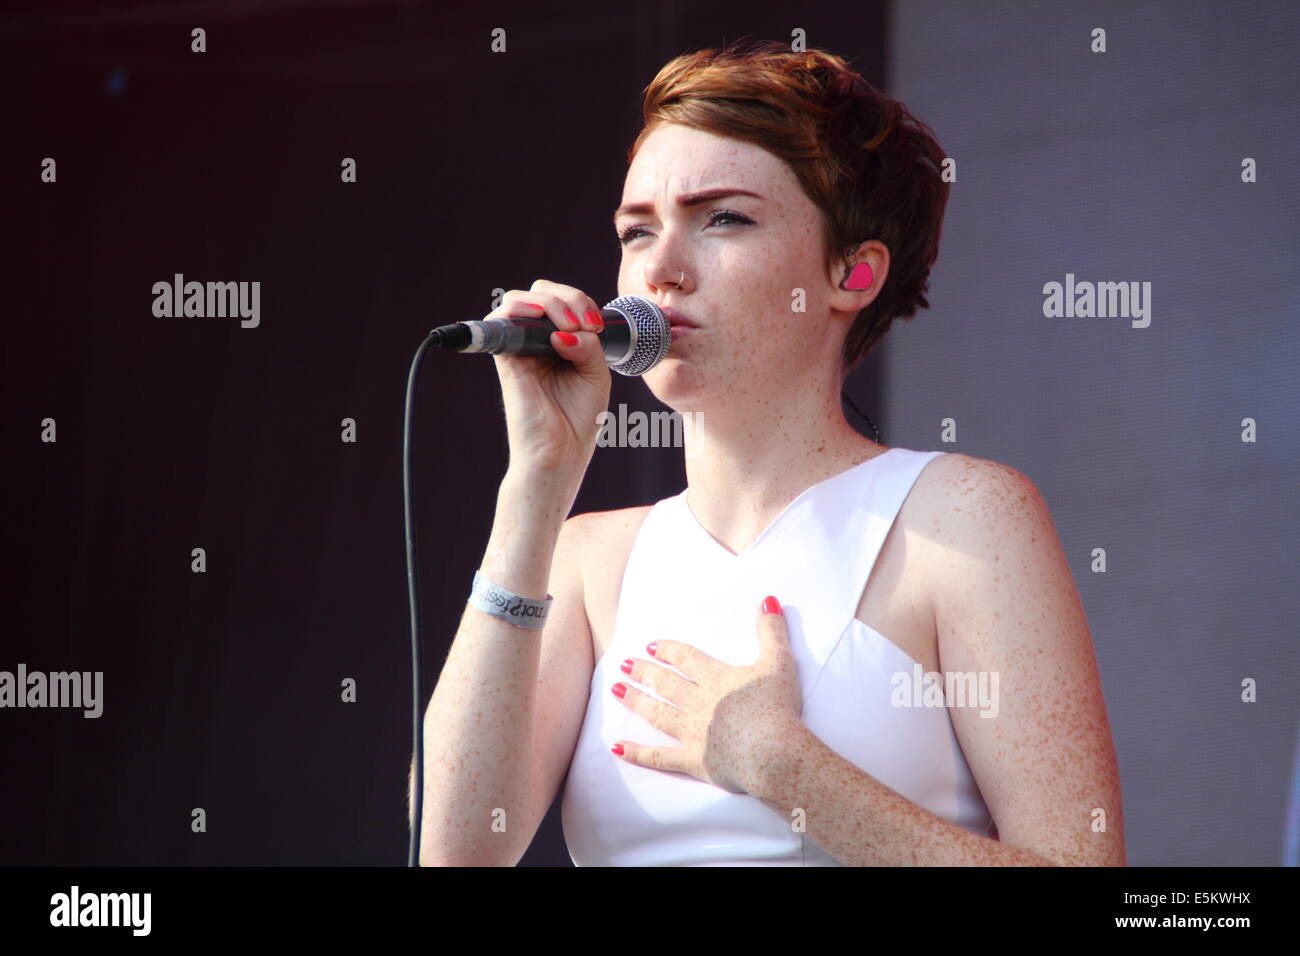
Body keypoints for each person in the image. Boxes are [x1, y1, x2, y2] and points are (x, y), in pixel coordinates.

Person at [412, 37, 1126, 866]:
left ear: (851, 275)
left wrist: (779, 767)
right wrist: (536, 483)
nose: (661, 271)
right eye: (636, 231)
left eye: (724, 218)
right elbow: (452, 852)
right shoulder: (584, 558)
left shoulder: (963, 515)